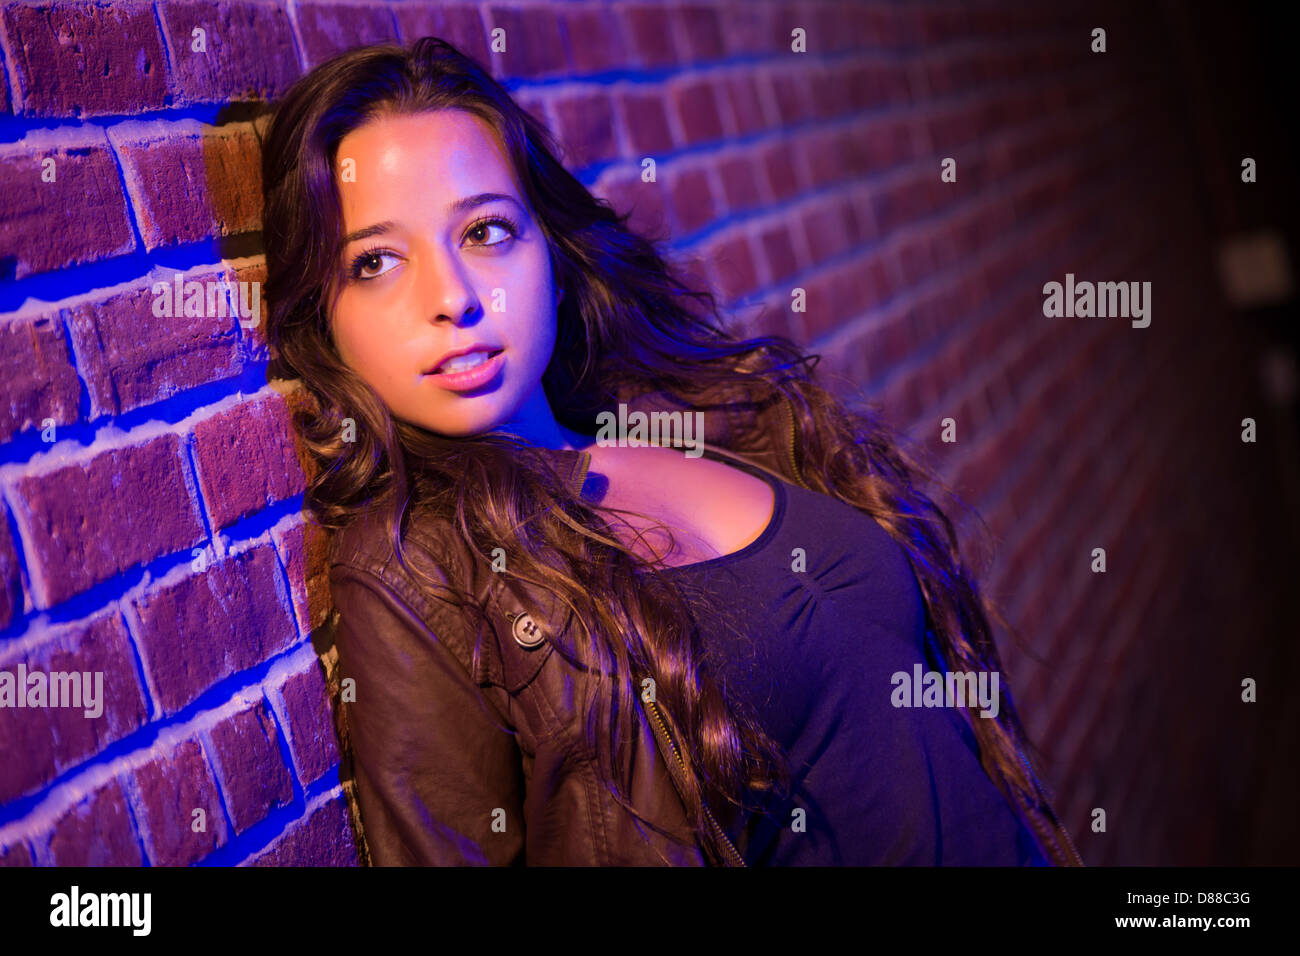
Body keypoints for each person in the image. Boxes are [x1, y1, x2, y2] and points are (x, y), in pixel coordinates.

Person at [259, 36, 1083, 867]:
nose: (451, 299)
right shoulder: (415, 566)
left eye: (484, 230)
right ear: (322, 317)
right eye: (375, 261)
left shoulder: (716, 426)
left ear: (550, 247)